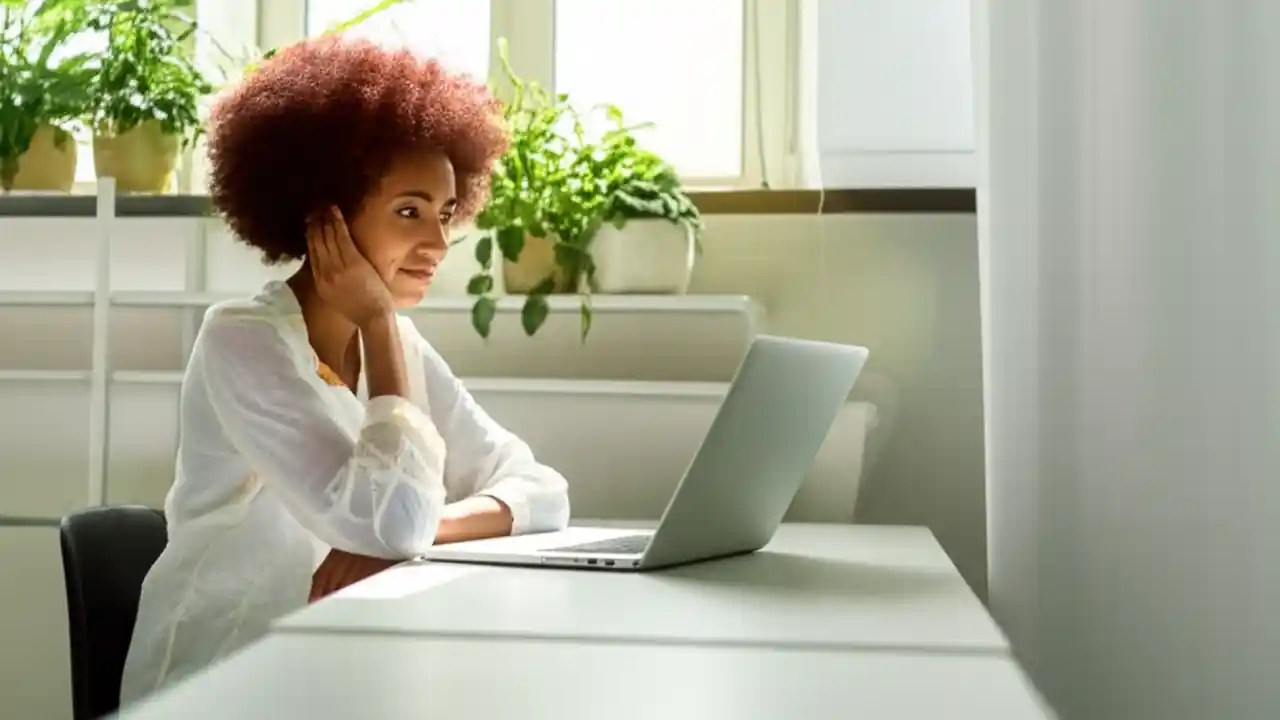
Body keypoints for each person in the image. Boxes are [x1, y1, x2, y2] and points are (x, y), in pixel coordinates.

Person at [120, 36, 570, 704]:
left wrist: (430, 529)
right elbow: (390, 523)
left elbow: (541, 489)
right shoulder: (241, 342)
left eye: (446, 214)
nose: (440, 243)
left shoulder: (401, 350)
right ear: (323, 215)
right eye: (409, 212)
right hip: (219, 679)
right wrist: (380, 321)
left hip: (336, 666)